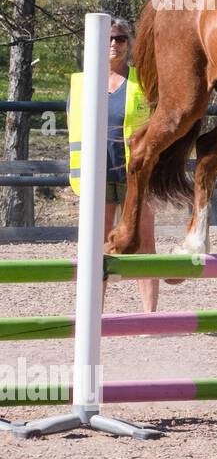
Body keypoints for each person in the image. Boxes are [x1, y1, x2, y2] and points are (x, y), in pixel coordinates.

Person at [68, 17, 159, 312]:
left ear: (128, 43)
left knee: (145, 242)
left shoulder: (143, 79)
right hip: (96, 173)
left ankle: (150, 317)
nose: (113, 44)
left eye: (120, 38)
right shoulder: (81, 83)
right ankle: (95, 313)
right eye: (108, 39)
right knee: (97, 246)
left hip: (138, 173)